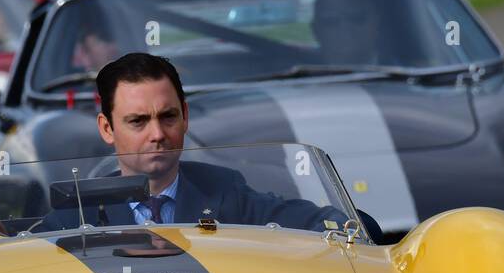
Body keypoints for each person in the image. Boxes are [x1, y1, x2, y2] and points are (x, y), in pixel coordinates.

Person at [36, 52, 348, 233]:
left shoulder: (226, 192)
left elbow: (325, 224)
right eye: (138, 121)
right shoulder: (75, 217)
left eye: (168, 116)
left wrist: (352, 227)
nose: (157, 134)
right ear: (107, 128)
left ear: (185, 115)